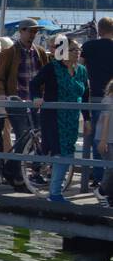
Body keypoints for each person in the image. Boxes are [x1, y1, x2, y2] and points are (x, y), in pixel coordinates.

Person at [0, 17, 50, 190]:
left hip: (35, 102)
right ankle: (18, 176)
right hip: (16, 101)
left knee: (35, 137)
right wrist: (1, 95)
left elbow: (44, 77)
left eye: (35, 31)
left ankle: (14, 170)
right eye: (30, 31)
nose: (33, 34)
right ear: (21, 31)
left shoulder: (39, 52)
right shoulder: (9, 53)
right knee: (24, 136)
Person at [31, 35, 89, 203]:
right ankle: (55, 193)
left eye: (79, 50)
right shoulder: (52, 68)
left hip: (72, 118)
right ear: (63, 51)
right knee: (60, 153)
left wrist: (88, 119)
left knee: (68, 153)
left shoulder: (82, 70)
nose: (77, 53)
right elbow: (34, 84)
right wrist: (36, 98)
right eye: (73, 50)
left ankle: (55, 191)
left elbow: (85, 95)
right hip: (53, 117)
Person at [80, 17, 113, 191]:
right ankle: (106, 177)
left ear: (99, 30)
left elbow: (80, 68)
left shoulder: (88, 46)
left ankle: (98, 175)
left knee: (96, 137)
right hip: (111, 96)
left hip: (94, 96)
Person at [96, 79, 113, 204]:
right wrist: (103, 140)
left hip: (110, 139)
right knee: (110, 167)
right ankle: (101, 191)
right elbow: (105, 121)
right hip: (106, 139)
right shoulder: (108, 100)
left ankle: (109, 197)